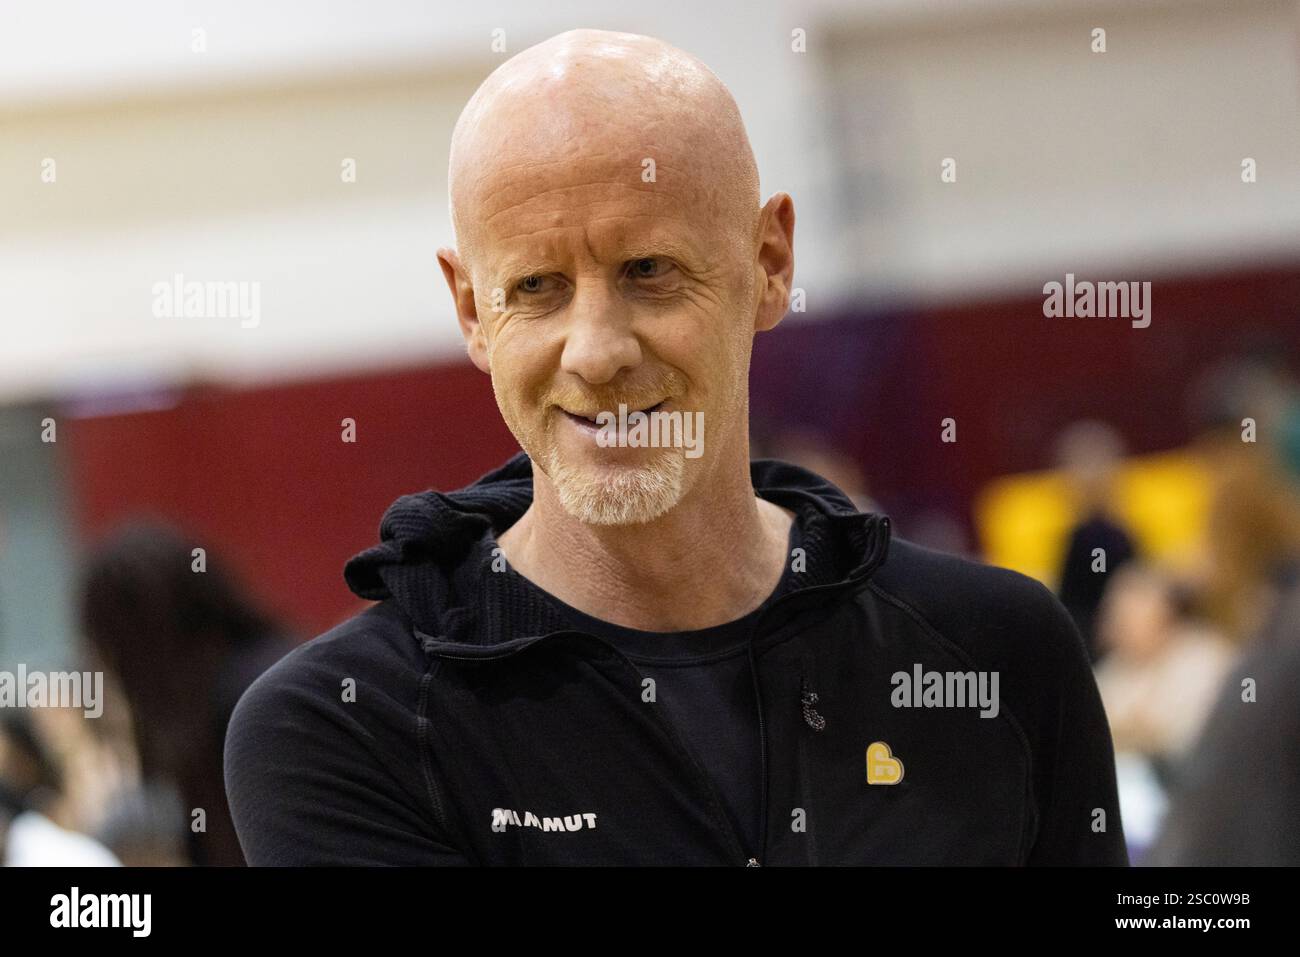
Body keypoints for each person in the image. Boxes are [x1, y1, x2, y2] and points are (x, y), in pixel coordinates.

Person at [224, 28, 1127, 866]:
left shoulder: (998, 650)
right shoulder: (344, 728)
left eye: (648, 271)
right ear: (471, 312)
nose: (597, 350)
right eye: (535, 287)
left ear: (769, 262)